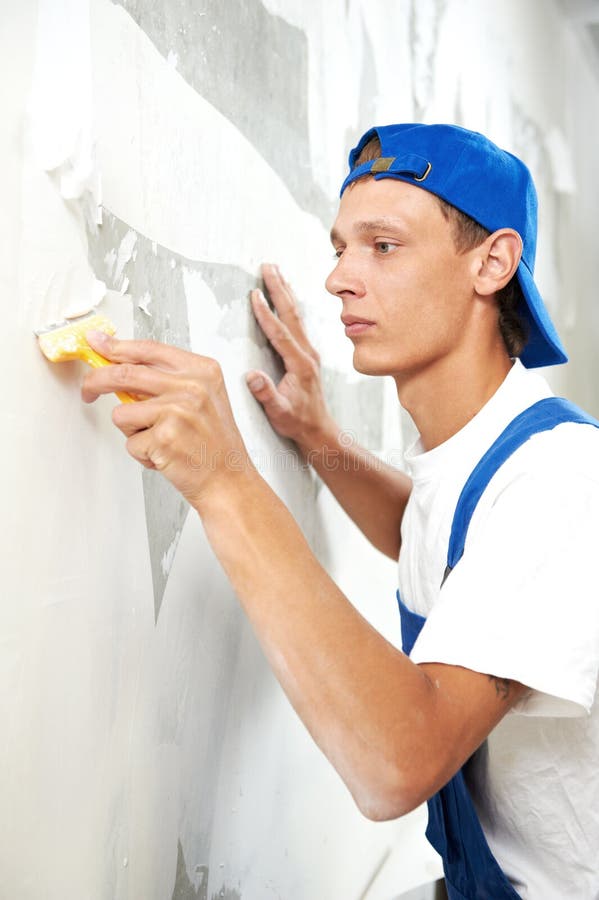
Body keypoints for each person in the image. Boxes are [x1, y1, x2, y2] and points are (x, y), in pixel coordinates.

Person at [82, 123, 599, 899]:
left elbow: (396, 763)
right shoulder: (486, 455)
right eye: (339, 249)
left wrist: (227, 481)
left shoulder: (560, 479)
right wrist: (317, 438)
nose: (337, 279)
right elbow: (427, 533)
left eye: (382, 247)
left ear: (491, 262)